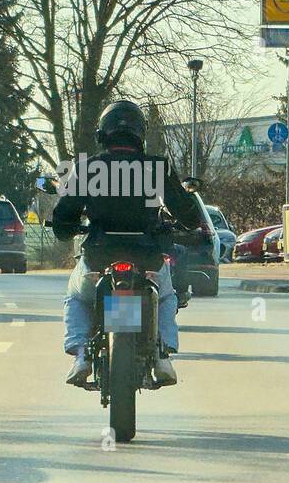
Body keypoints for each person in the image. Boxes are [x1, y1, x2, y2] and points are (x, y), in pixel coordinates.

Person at [53, 100, 205, 387]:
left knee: (76, 298)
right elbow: (188, 213)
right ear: (140, 134)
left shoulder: (87, 168)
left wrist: (66, 229)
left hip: (99, 255)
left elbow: (65, 215)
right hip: (147, 256)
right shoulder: (157, 167)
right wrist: (188, 225)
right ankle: (162, 355)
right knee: (168, 297)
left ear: (103, 133)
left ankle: (81, 355)